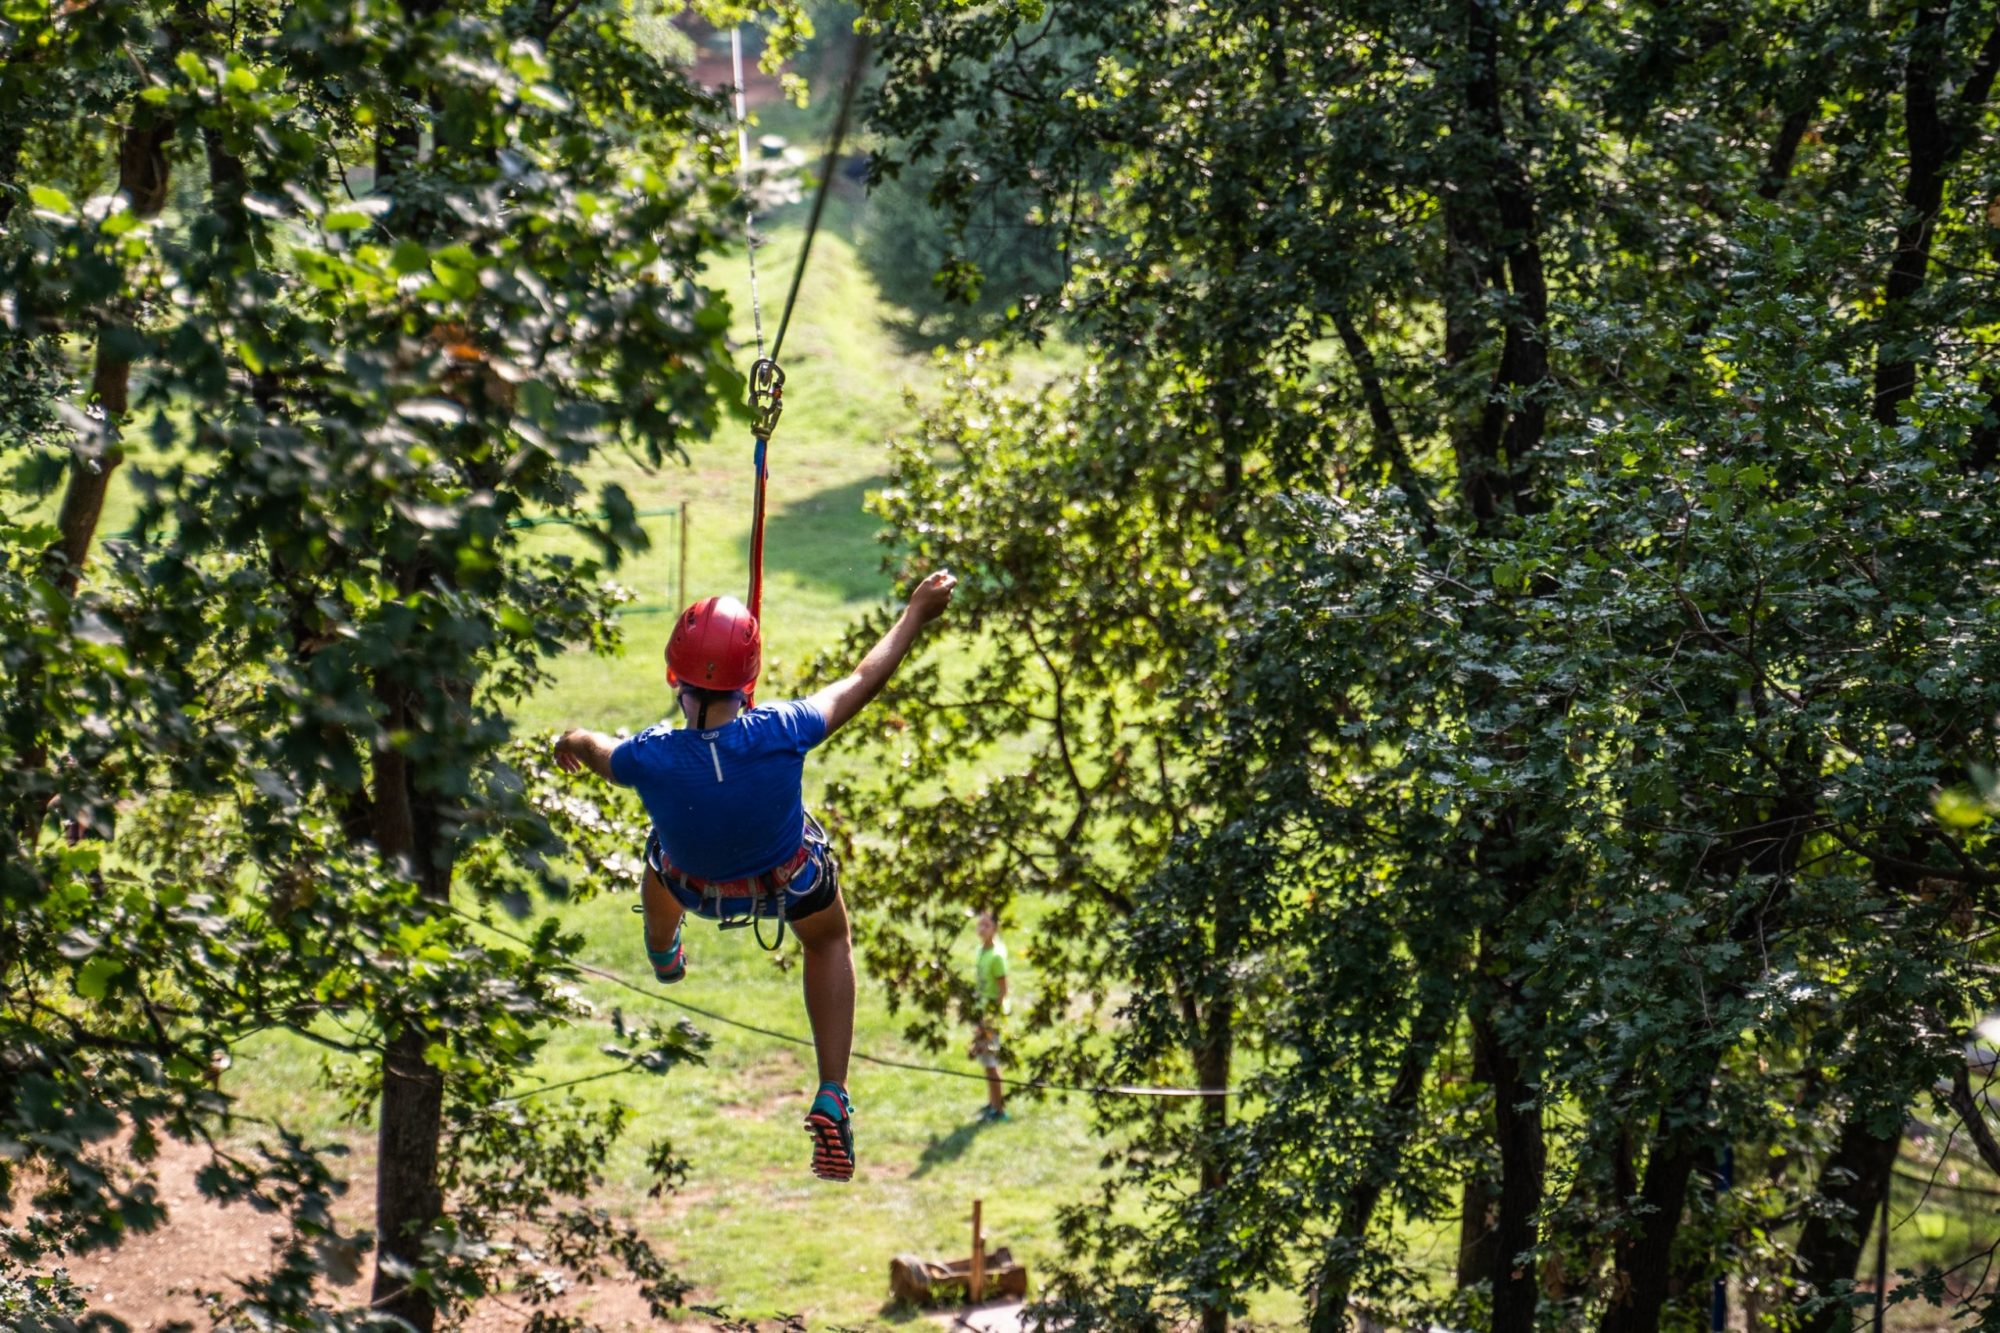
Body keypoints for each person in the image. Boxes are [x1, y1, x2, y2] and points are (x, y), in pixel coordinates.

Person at [552, 569, 958, 1182]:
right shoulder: (783, 729)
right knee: (826, 939)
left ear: (672, 676)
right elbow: (862, 680)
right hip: (787, 882)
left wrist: (573, 738)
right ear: (751, 682)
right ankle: (832, 1091)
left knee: (658, 861)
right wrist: (914, 614)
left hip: (695, 886)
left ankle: (663, 948)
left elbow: (599, 749)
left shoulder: (648, 756)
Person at [970, 910, 1011, 1122]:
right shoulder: (981, 951)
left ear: (995, 928)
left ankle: (1000, 1109)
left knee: (991, 1062)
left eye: (987, 925)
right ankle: (991, 1102)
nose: (982, 928)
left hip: (991, 1018)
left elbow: (1003, 991)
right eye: (980, 924)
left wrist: (990, 1020)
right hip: (982, 1013)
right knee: (985, 1061)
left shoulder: (996, 956)